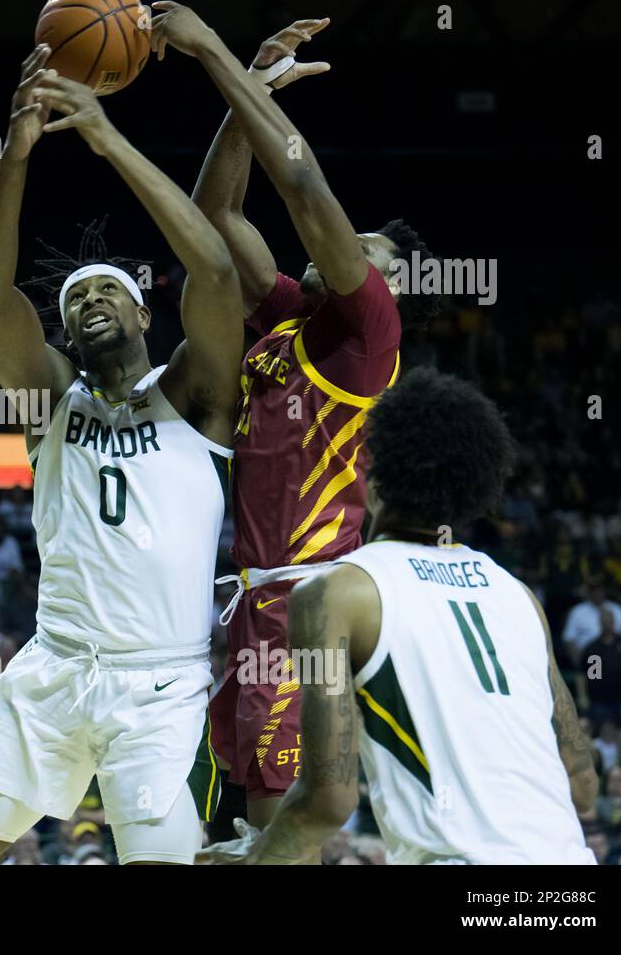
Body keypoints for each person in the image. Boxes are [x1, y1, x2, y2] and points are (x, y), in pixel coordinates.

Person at [0, 43, 242, 866]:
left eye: (109, 292)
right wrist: (19, 151)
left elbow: (213, 268)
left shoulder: (197, 396)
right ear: (68, 334)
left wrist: (107, 139)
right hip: (54, 672)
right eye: (76, 300)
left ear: (141, 317)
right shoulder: (48, 406)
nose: (92, 301)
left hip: (165, 689)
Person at [147, 4, 436, 831]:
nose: (342, 245)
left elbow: (303, 187)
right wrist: (255, 86)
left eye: (367, 247)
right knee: (250, 820)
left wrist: (208, 50)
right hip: (252, 598)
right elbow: (216, 221)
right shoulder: (286, 319)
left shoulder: (365, 338)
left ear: (389, 286)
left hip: (306, 598)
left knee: (282, 821)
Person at [200, 368, 597, 864]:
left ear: (370, 470)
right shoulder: (518, 597)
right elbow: (582, 785)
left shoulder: (334, 593)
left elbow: (328, 798)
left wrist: (255, 861)